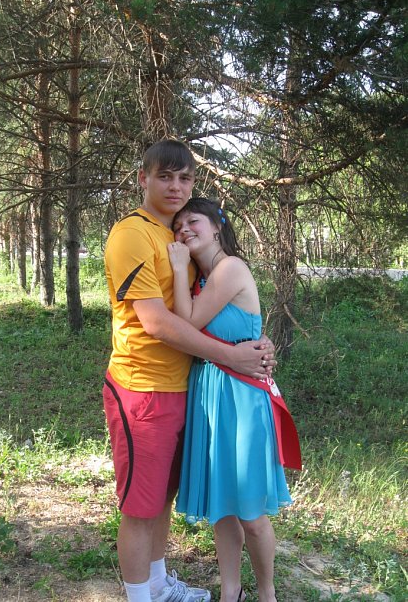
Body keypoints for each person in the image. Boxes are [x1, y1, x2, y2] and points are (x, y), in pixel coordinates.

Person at [103, 140, 276, 602]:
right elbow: (158, 322)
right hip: (143, 385)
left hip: (187, 387)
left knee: (160, 496)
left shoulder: (176, 238)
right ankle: (142, 596)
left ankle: (158, 584)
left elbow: (220, 309)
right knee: (141, 505)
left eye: (185, 178)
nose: (175, 187)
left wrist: (255, 342)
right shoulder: (132, 234)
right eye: (164, 176)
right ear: (143, 179)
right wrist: (231, 356)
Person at [168, 197, 302, 602]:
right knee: (224, 506)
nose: (184, 229)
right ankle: (231, 592)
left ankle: (267, 594)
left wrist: (178, 267)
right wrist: (183, 271)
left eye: (193, 221)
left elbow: (187, 321)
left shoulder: (230, 268)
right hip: (209, 392)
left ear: (217, 226)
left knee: (251, 513)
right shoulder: (201, 278)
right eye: (178, 225)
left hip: (241, 397)